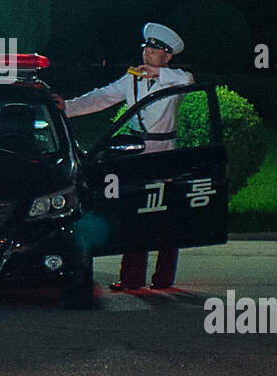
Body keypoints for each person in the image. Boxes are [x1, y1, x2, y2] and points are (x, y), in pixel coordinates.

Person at [52, 22, 194, 291]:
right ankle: (132, 279)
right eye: (146, 49)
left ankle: (163, 279)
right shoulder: (131, 79)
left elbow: (187, 81)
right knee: (133, 215)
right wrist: (67, 107)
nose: (147, 54)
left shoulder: (174, 79)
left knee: (164, 218)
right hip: (134, 153)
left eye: (154, 51)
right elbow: (101, 97)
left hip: (164, 155)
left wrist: (156, 73)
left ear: (167, 56)